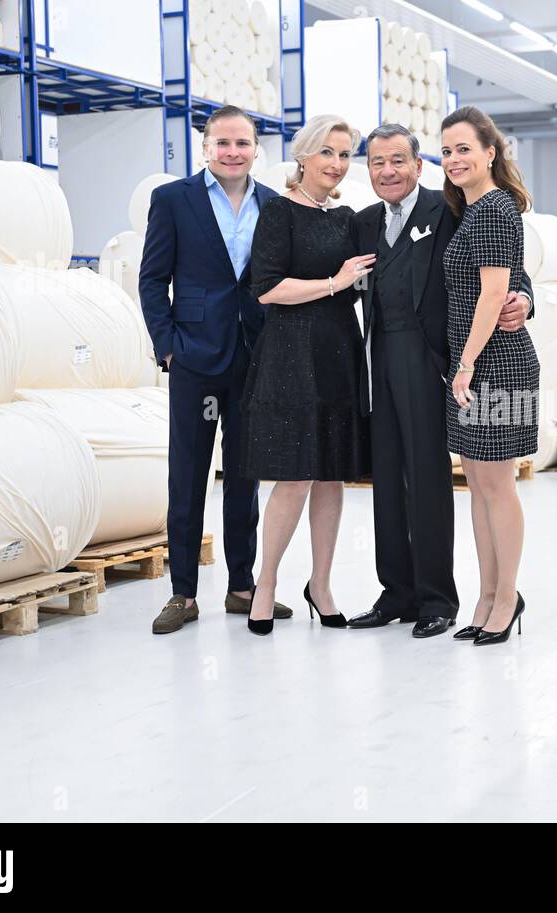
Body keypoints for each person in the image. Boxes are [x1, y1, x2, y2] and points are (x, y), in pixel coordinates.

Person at [346, 124, 532, 639]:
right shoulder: (362, 223)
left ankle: (435, 598)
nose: (388, 171)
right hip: (379, 356)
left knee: (429, 477)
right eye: (377, 163)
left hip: (434, 359)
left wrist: (525, 300)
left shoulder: (450, 210)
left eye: (398, 161)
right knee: (386, 475)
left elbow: (507, 269)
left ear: (416, 165)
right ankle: (396, 592)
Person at [140, 105, 294, 635]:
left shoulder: (273, 205)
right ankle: (183, 593)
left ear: (257, 150)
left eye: (243, 144)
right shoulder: (173, 200)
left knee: (245, 479)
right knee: (187, 476)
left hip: (254, 358)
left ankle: (242, 587)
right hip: (195, 360)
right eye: (222, 143)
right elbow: (152, 279)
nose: (233, 152)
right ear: (205, 146)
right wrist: (168, 347)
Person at [240, 114, 375, 636]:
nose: (337, 165)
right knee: (293, 475)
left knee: (331, 475)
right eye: (328, 153)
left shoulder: (345, 219)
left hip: (339, 351)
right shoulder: (278, 212)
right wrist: (336, 282)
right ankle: (267, 583)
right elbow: (267, 289)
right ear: (303, 157)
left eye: (345, 155)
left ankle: (321, 585)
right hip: (291, 354)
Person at [440, 106, 539, 646]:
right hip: (473, 367)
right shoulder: (471, 209)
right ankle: (485, 594)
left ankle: (507, 598)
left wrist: (468, 362)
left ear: (489, 153)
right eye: (447, 150)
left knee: (497, 485)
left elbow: (496, 292)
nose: (455, 159)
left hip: (499, 366)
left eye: (464, 149)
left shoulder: (495, 209)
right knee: (477, 484)